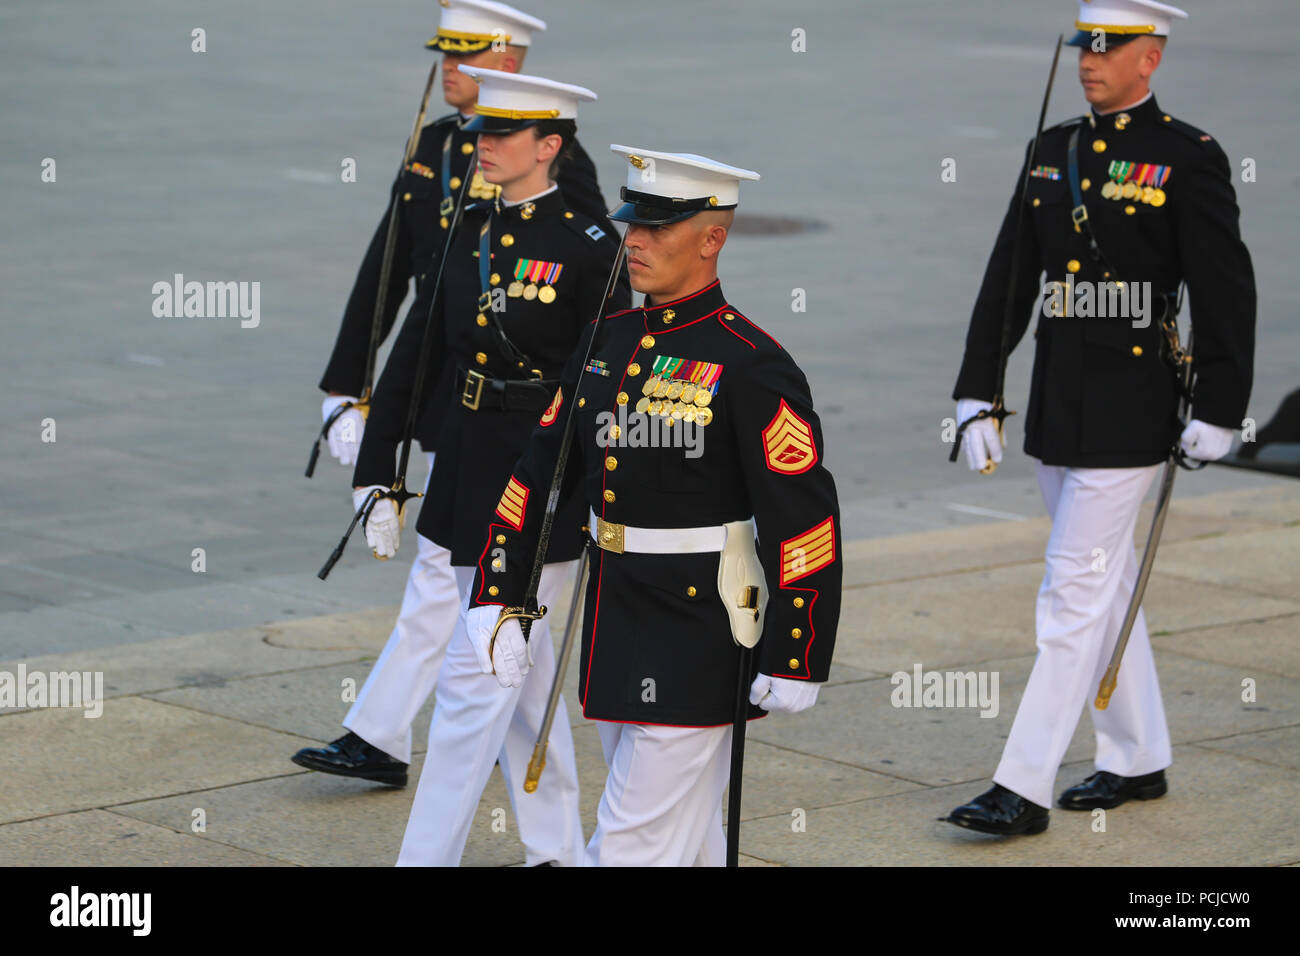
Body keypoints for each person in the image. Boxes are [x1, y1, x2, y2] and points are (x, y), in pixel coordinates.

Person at [459, 147, 843, 866]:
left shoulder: (751, 362)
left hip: (703, 629)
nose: (634, 240)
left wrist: (798, 650)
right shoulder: (609, 341)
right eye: (633, 222)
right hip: (618, 618)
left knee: (630, 844)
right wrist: (497, 590)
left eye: (658, 229)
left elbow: (805, 519)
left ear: (712, 237)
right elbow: (541, 473)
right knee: (687, 840)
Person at [945, 0, 1255, 836]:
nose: (1091, 58)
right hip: (1059, 400)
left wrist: (1221, 406)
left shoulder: (1186, 157)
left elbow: (1226, 289)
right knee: (1107, 582)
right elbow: (1011, 275)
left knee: (1071, 593)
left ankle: (1022, 784)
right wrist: (978, 392)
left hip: (1134, 401)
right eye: (1086, 43)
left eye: (1111, 46)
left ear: (1150, 57)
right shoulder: (1055, 150)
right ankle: (1136, 752)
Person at [294, 0, 613, 788]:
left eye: (470, 55)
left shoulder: (552, 160)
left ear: (511, 62)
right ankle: (386, 733)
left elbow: (590, 293)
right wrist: (348, 384)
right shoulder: (437, 146)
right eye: (446, 54)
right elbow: (390, 269)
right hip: (446, 392)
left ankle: (381, 732)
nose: (449, 69)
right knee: (448, 564)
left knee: (450, 568)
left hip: (516, 408)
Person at [349, 67, 628, 865]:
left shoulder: (592, 248)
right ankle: (556, 851)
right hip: (468, 465)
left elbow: (599, 388)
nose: (484, 147)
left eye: (503, 137)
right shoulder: (465, 231)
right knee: (522, 687)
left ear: (549, 147)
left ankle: (423, 858)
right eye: (480, 136)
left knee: (475, 688)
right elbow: (418, 353)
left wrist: (584, 497)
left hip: (540, 485)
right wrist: (381, 469)